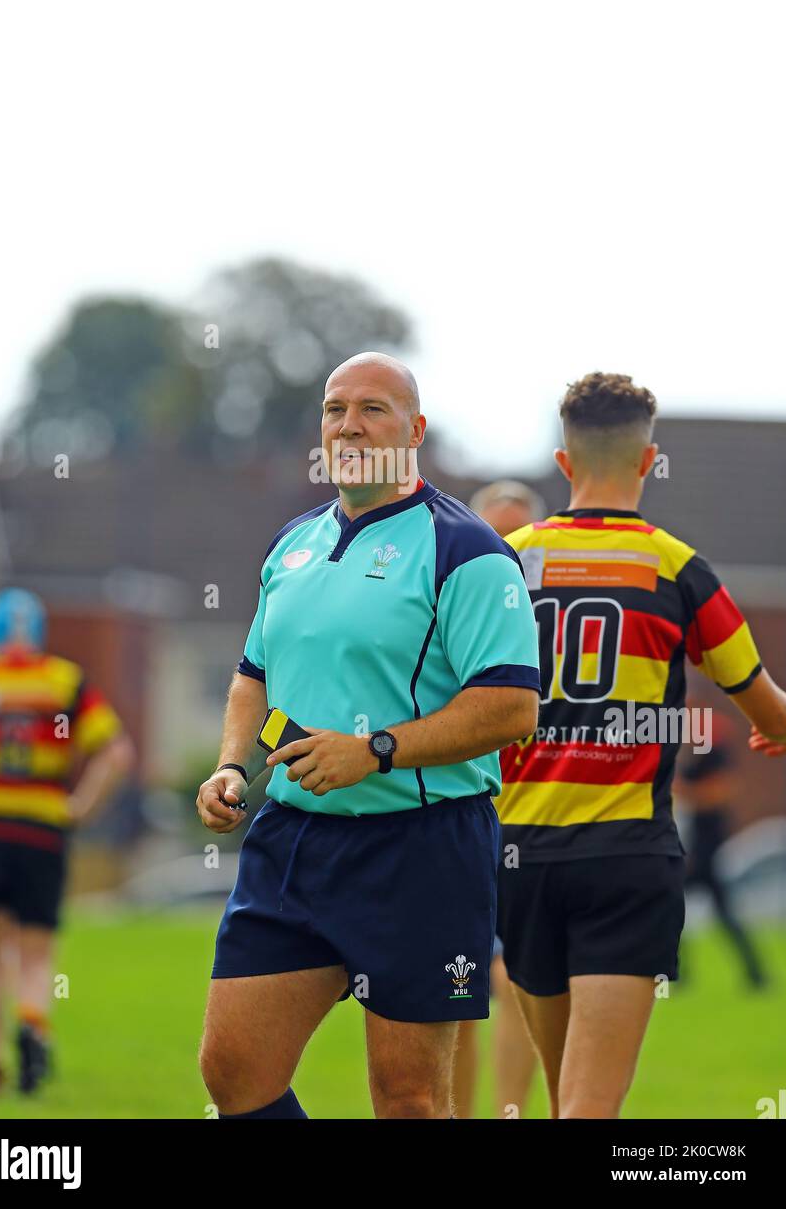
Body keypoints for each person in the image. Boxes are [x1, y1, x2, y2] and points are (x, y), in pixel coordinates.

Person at [197, 352, 540, 1120]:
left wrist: (374, 749)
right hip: (291, 843)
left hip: (422, 850)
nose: (349, 423)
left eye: (373, 408)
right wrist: (229, 764)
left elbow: (512, 709)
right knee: (235, 1074)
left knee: (409, 1099)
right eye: (335, 407)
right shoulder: (291, 545)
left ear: (414, 429)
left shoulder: (472, 551)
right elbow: (253, 674)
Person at [495, 372, 786, 1119]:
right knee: (588, 1109)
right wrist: (781, 726)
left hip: (517, 857)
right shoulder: (677, 568)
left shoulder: (506, 561)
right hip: (625, 856)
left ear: (564, 465)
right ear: (646, 460)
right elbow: (762, 699)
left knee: (563, 1088)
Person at [0, 588, 134, 1093]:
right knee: (35, 955)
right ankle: (31, 1023)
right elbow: (116, 753)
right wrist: (81, 808)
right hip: (42, 829)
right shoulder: (63, 681)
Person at [453, 481, 544, 1119]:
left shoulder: (549, 624)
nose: (510, 549)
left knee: (515, 983)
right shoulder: (453, 607)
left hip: (534, 824)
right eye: (498, 535)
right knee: (454, 986)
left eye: (521, 535)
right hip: (458, 818)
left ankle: (509, 1112)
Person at [676, 711, 767, 988]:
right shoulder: (692, 761)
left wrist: (683, 792)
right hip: (696, 853)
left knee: (673, 908)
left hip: (706, 853)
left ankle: (680, 974)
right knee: (711, 915)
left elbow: (719, 792)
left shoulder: (714, 758)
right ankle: (754, 974)